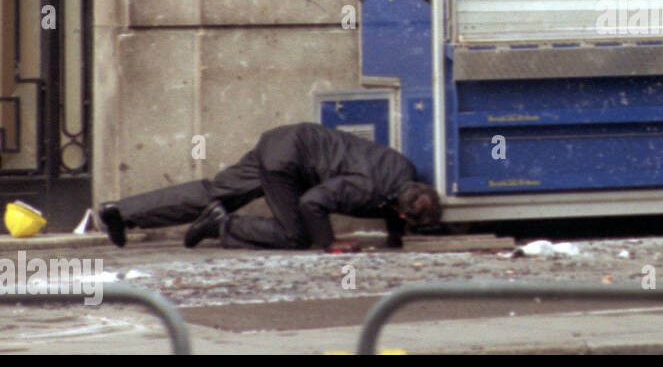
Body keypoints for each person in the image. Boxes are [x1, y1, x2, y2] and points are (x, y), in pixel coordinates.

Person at [98, 123, 441, 252]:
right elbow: (312, 202)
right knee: (297, 235)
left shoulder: (403, 172)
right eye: (406, 221)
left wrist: (396, 238)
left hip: (284, 140)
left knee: (215, 192)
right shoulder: (369, 190)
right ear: (400, 209)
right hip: (288, 164)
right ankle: (223, 225)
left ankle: (121, 211)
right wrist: (330, 242)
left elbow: (394, 205)